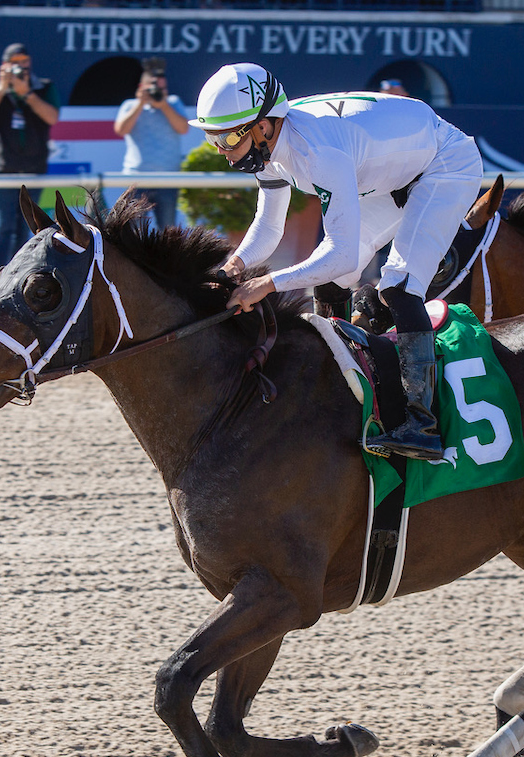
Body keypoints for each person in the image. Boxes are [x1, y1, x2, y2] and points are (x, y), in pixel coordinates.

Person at [192, 62, 482, 461]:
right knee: (329, 279)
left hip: (444, 166)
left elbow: (342, 252)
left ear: (262, 126)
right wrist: (233, 267)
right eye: (212, 138)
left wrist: (267, 283)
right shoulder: (272, 147)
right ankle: (340, 391)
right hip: (397, 175)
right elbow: (269, 227)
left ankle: (422, 424)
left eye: (226, 138)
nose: (221, 151)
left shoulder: (317, 152)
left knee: (399, 286)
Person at [0, 42, 60, 277]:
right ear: (5, 65)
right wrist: (3, 88)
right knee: (3, 226)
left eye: (24, 62)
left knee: (27, 226)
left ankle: (21, 274)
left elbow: (52, 117)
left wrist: (27, 94)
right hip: (2, 168)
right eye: (15, 63)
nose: (21, 67)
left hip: (33, 168)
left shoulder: (44, 87)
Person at [113, 57, 191, 230]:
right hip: (136, 180)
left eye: (163, 89)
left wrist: (164, 105)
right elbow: (121, 129)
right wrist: (141, 103)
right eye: (155, 89)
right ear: (142, 87)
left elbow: (183, 128)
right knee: (133, 232)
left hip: (168, 181)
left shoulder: (173, 103)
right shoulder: (130, 105)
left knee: (168, 233)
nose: (159, 92)